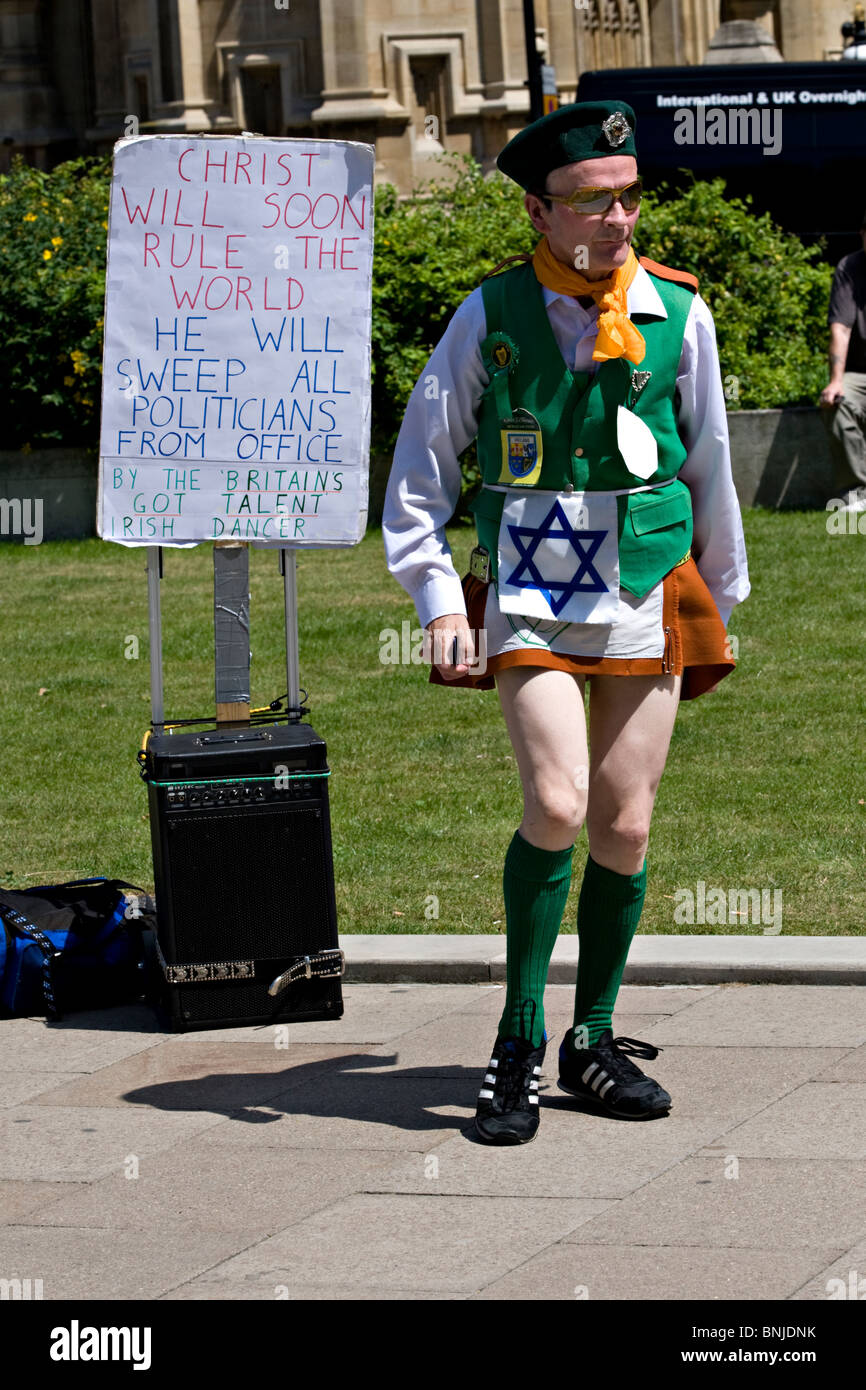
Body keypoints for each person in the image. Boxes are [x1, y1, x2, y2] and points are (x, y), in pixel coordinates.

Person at [382, 100, 750, 1144]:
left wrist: (719, 596)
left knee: (624, 823)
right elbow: (419, 469)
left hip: (644, 581)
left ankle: (590, 1038)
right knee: (556, 798)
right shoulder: (487, 315)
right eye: (592, 203)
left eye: (627, 199)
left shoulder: (680, 312)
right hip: (532, 584)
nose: (617, 221)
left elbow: (708, 458)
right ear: (541, 212)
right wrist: (440, 603)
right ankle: (515, 1037)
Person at [819, 212, 866, 513]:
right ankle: (858, 494)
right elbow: (841, 327)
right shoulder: (851, 267)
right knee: (839, 401)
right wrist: (836, 380)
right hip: (860, 374)